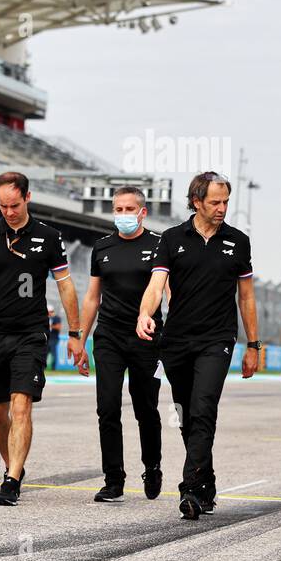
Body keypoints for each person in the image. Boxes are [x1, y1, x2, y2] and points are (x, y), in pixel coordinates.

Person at [0, 171, 88, 506]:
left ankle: (12, 478)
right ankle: (12, 463)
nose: (9, 211)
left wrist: (75, 333)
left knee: (21, 405)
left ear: (27, 198)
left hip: (30, 334)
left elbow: (66, 285)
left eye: (15, 204)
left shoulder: (49, 237)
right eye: (2, 206)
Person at [137, 171, 260, 520]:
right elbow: (156, 283)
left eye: (225, 202)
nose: (222, 208)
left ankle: (189, 488)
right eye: (215, 202)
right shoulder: (172, 239)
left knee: (204, 407)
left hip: (217, 339)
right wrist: (145, 314)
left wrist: (254, 344)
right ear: (196, 202)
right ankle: (206, 480)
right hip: (175, 341)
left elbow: (247, 298)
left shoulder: (239, 241)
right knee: (187, 417)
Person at [81, 186, 165, 502]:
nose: (123, 215)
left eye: (130, 209)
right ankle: (113, 479)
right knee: (107, 407)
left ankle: (152, 466)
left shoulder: (159, 246)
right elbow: (92, 297)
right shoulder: (101, 247)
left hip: (146, 337)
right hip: (109, 337)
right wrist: (79, 337)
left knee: (146, 408)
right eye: (118, 209)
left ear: (142, 212)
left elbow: (167, 291)